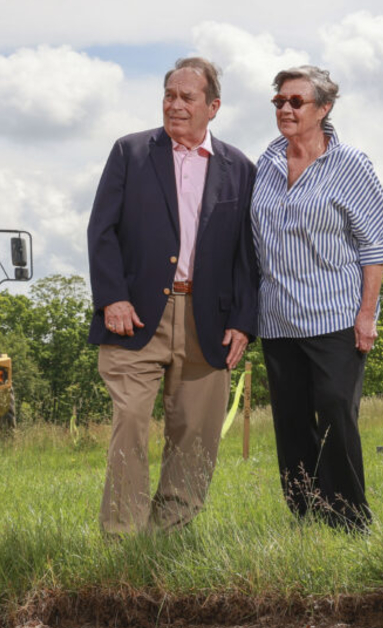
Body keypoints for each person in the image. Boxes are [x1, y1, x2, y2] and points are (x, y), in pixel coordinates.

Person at [87, 57, 258, 535]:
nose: (176, 105)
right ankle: (122, 538)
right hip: (135, 317)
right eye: (169, 95)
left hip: (208, 321)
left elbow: (248, 254)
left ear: (213, 106)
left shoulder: (240, 168)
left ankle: (169, 538)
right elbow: (101, 231)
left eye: (187, 97)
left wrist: (243, 321)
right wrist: (112, 298)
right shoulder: (130, 152)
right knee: (131, 421)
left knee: (197, 436)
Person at [251, 65, 383, 532]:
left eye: (296, 102)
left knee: (337, 412)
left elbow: (376, 245)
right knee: (292, 425)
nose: (285, 109)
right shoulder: (268, 162)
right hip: (278, 322)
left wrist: (367, 315)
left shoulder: (351, 164)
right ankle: (304, 515)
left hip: (336, 317)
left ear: (324, 108)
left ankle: (351, 520)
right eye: (279, 101)